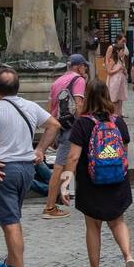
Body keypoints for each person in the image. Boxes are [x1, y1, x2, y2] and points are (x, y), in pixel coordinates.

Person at [0, 66, 61, 267]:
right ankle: (8, 263)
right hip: (27, 169)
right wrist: (40, 150)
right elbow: (54, 125)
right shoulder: (29, 105)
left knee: (11, 222)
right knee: (12, 216)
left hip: (5, 169)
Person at [64, 79, 134, 267]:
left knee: (93, 225)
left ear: (87, 97)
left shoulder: (83, 123)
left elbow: (72, 157)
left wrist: (66, 185)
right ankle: (128, 257)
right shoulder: (118, 121)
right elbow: (123, 150)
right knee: (118, 221)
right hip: (116, 178)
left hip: (91, 181)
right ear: (107, 96)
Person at [41, 54, 88, 219]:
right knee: (60, 166)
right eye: (84, 66)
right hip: (72, 128)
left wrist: (53, 131)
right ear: (78, 66)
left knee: (71, 163)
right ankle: (50, 207)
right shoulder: (79, 80)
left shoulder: (57, 81)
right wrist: (83, 125)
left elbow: (50, 108)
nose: (85, 69)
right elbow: (79, 104)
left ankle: (67, 194)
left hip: (60, 126)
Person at [104, 36, 129, 118]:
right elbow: (109, 71)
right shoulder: (113, 60)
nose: (123, 53)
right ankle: (112, 115)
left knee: (119, 99)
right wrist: (118, 69)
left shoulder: (121, 60)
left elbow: (123, 69)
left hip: (120, 81)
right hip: (114, 82)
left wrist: (124, 71)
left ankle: (118, 115)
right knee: (113, 99)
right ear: (118, 51)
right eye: (122, 51)